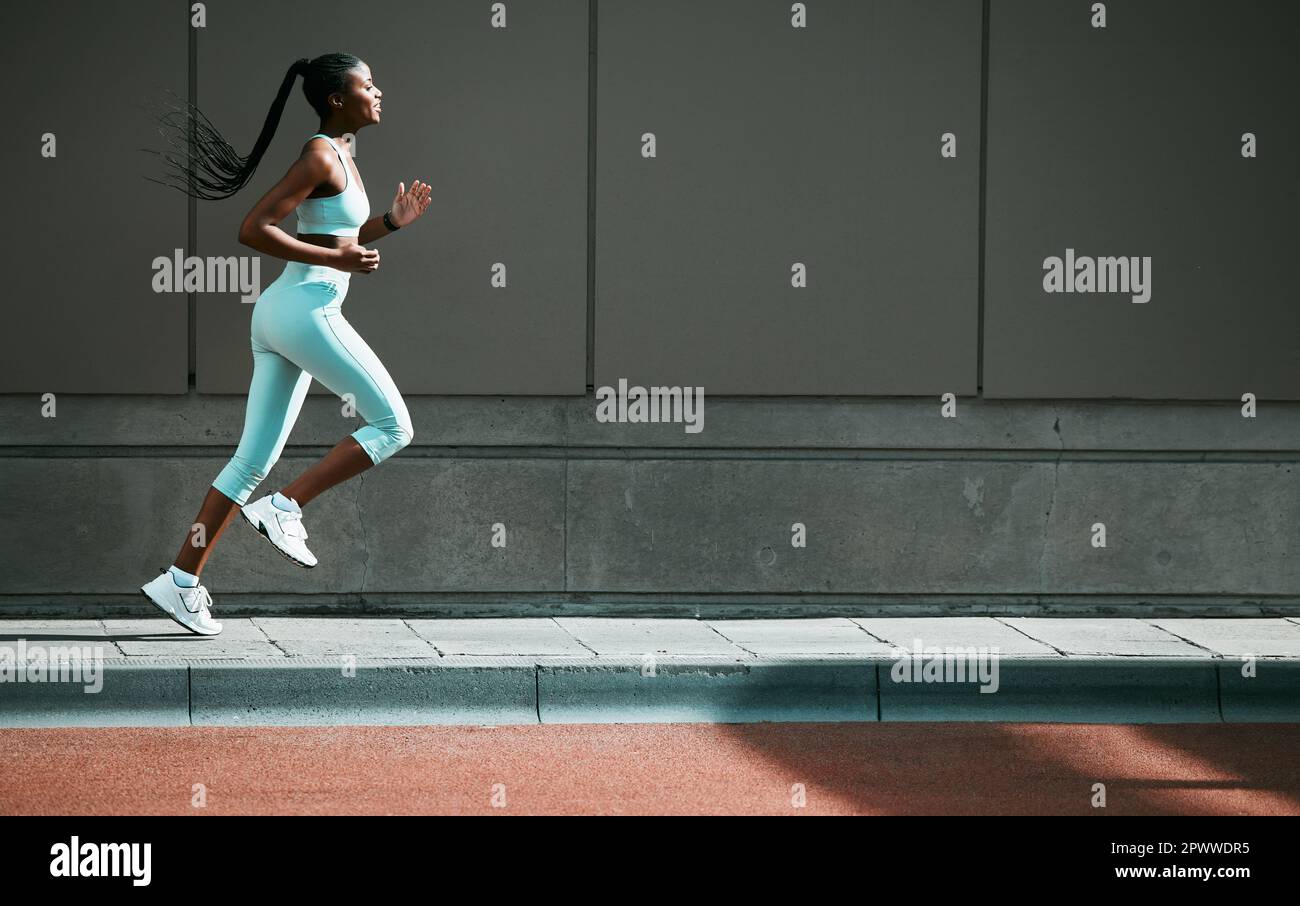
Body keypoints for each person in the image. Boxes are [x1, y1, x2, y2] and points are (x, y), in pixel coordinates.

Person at [139, 53, 432, 635]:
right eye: (366, 84)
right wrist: (338, 257)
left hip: (283, 313)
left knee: (251, 460)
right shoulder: (321, 152)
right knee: (394, 427)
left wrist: (389, 225)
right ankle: (286, 506)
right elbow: (253, 228)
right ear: (335, 99)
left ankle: (179, 581)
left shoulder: (342, 151)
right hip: (306, 310)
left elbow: (337, 236)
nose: (379, 91)